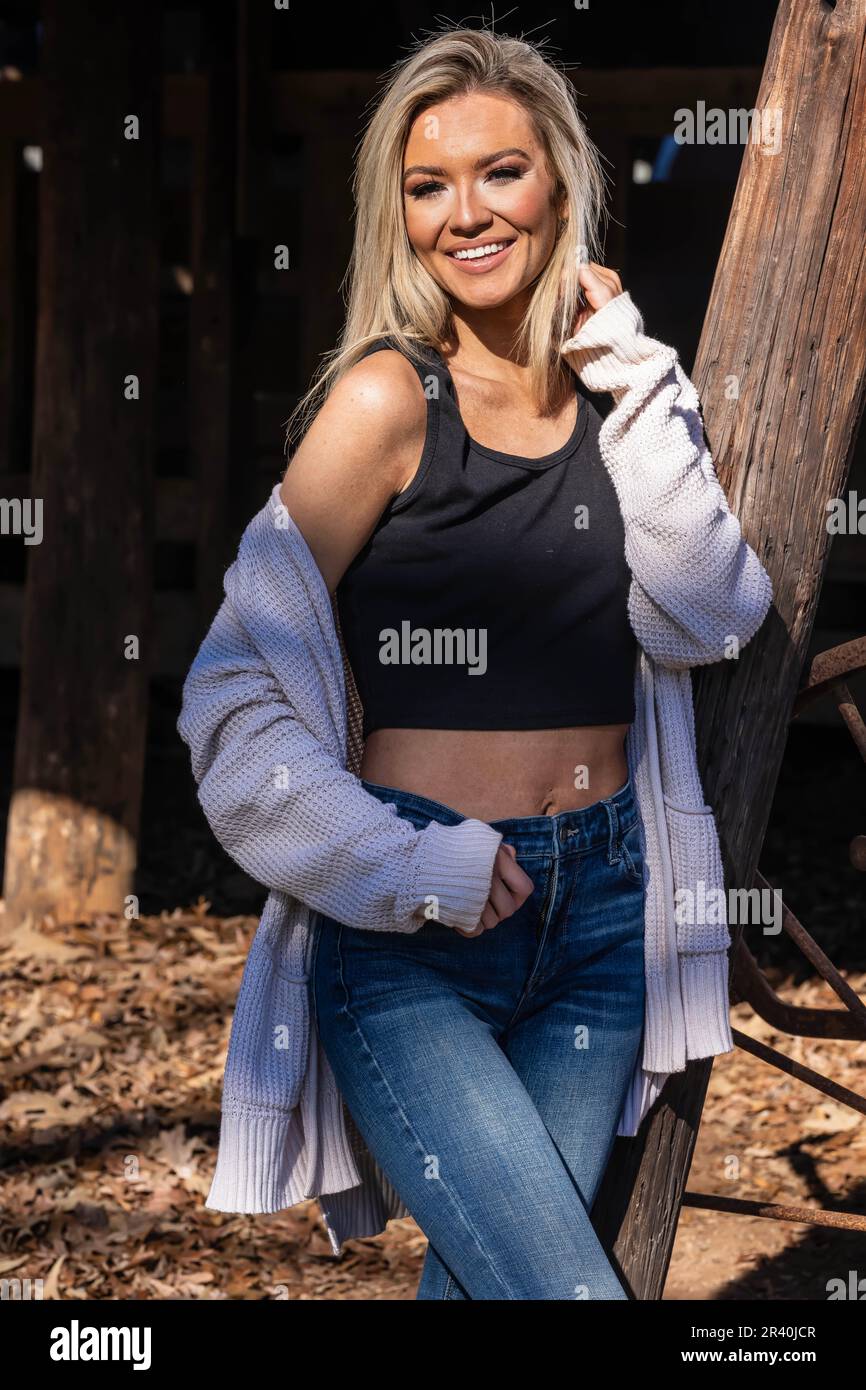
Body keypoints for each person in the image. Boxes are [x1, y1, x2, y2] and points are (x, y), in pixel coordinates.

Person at [178, 25, 772, 1300]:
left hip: (605, 911)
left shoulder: (623, 400)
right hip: (418, 926)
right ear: (396, 214)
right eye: (427, 185)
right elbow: (229, 697)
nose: (466, 214)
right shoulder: (387, 402)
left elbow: (707, 617)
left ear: (557, 181)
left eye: (499, 172)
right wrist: (401, 862)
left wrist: (630, 370)